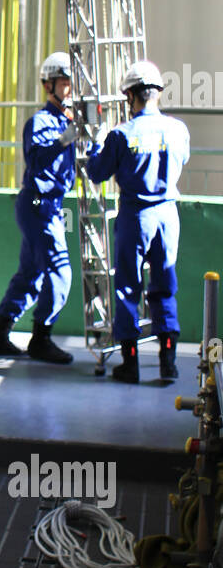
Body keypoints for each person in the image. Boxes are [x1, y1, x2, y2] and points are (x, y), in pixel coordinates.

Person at [84, 60, 190, 383]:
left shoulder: (121, 134)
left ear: (130, 96)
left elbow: (97, 172)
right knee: (164, 287)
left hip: (136, 216)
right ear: (157, 93)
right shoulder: (178, 130)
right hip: (168, 215)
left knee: (128, 288)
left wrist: (93, 145)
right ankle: (167, 362)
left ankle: (130, 365)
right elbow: (182, 159)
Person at [0, 51, 77, 365]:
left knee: (30, 275)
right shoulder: (40, 122)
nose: (68, 88)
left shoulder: (67, 121)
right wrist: (66, 139)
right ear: (48, 85)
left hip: (50, 203)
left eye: (70, 82)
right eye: (63, 82)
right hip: (38, 202)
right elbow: (36, 160)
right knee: (60, 272)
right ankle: (41, 338)